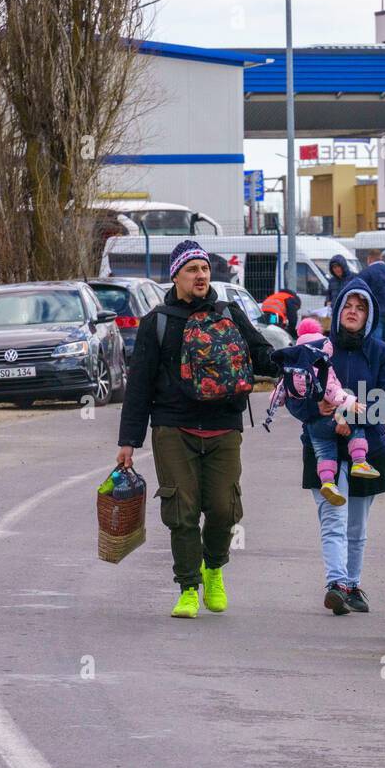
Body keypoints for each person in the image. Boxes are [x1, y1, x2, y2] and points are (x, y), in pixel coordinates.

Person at [116, 239, 279, 619]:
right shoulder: (157, 322)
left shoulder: (229, 312)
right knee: (182, 510)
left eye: (204, 269)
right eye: (192, 270)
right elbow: (139, 385)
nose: (201, 275)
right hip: (173, 427)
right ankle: (189, 587)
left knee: (224, 510)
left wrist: (293, 363)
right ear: (176, 276)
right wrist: (128, 441)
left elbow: (260, 353)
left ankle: (214, 568)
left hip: (224, 426)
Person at [298, 279, 385, 615]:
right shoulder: (317, 349)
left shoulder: (382, 353)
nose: (353, 313)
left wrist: (350, 415)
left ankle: (352, 584)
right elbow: (296, 394)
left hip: (364, 449)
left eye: (361, 308)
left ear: (369, 315)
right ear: (338, 310)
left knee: (356, 524)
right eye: (348, 307)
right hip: (323, 446)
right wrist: (317, 409)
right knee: (333, 519)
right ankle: (336, 583)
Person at [267, 317, 379, 507]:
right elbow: (333, 391)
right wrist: (350, 403)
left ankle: (328, 482)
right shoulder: (321, 368)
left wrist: (273, 407)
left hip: (313, 427)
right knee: (357, 427)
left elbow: (278, 394)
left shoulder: (293, 370)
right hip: (331, 418)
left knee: (324, 453)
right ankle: (359, 460)